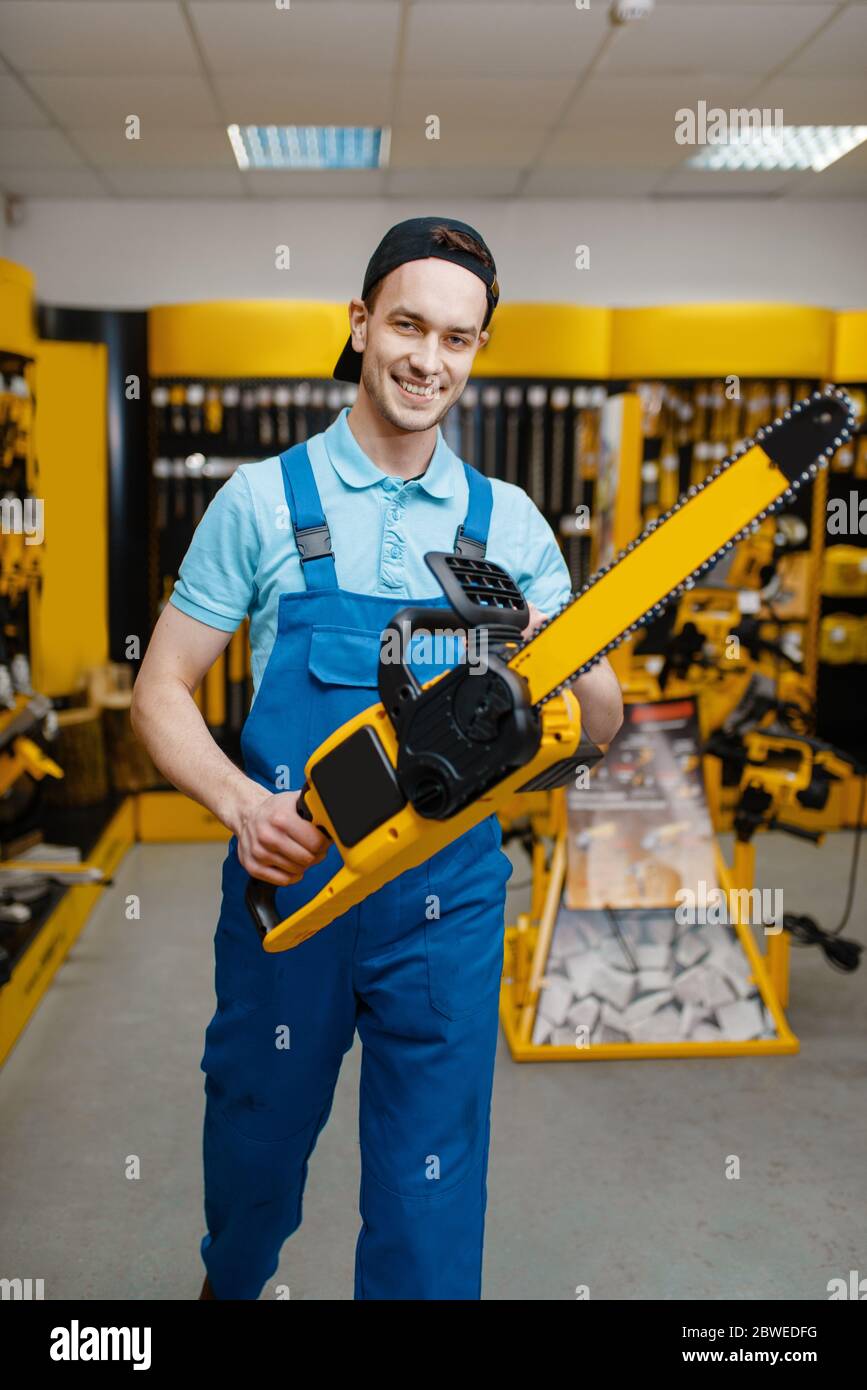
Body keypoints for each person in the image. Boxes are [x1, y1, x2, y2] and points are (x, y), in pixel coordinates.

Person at [131, 216, 623, 1301]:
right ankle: (234, 1281)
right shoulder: (261, 501)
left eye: (458, 338)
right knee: (254, 1147)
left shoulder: (510, 524)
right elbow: (158, 690)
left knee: (428, 1184)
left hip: (445, 902)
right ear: (360, 326)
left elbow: (600, 725)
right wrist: (237, 803)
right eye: (407, 324)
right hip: (290, 874)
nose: (428, 359)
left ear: (477, 351)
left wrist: (563, 647)